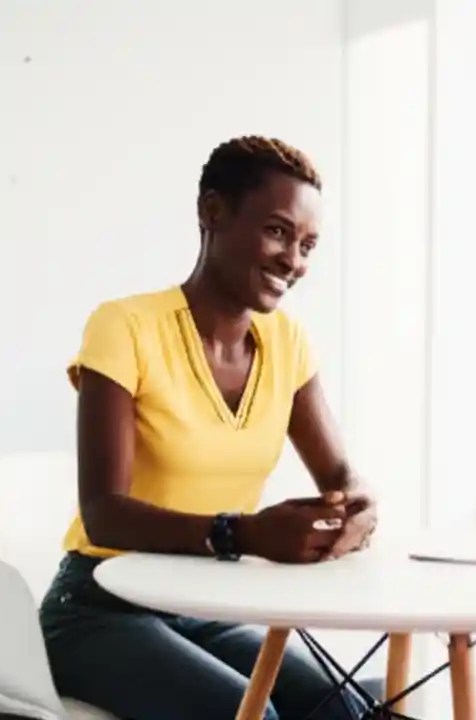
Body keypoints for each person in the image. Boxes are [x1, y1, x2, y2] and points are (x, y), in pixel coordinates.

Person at [39, 136, 381, 720]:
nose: (293, 261)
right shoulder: (124, 327)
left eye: (307, 245)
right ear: (212, 212)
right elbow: (103, 511)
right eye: (277, 232)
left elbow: (340, 475)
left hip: (200, 607)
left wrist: (357, 507)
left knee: (341, 709)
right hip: (96, 608)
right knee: (251, 718)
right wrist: (244, 535)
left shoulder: (287, 343)